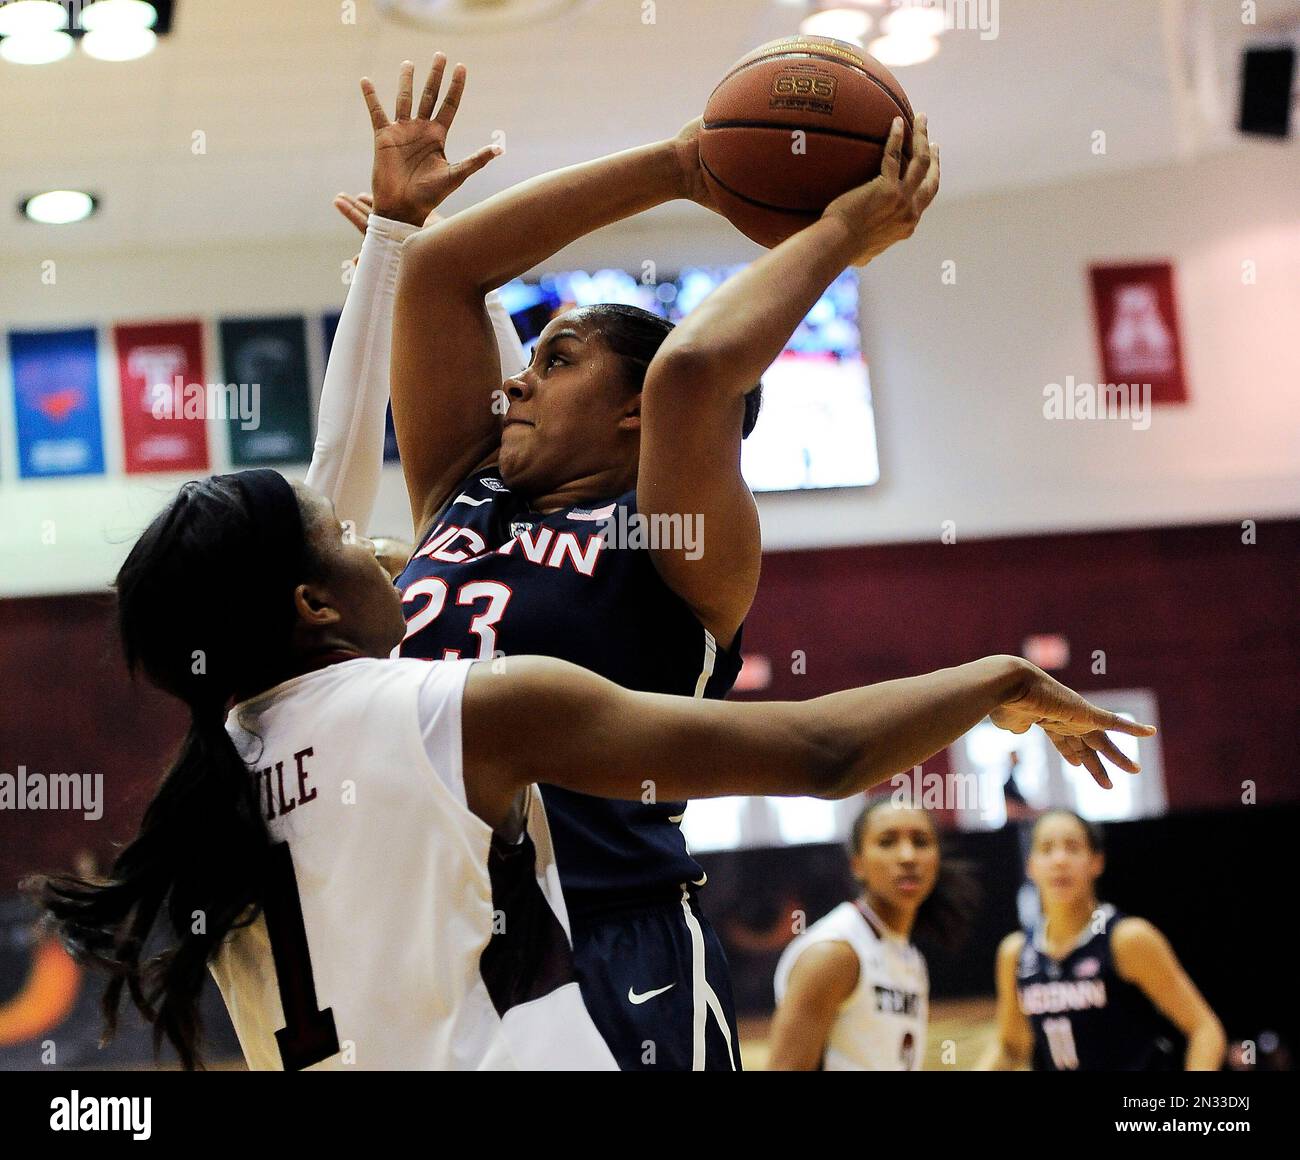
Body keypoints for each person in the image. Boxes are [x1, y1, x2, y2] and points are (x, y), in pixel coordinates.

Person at [27, 472, 1152, 1071]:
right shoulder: (463, 704)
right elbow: (820, 751)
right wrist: (995, 676)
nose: (382, 549)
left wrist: (396, 241)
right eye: (344, 537)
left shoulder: (208, 784)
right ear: (310, 604)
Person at [377, 55, 941, 1069]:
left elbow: (692, 370)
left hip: (611, 938)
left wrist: (839, 235)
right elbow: (437, 270)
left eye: (554, 361)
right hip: (436, 939)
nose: (513, 385)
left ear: (631, 411)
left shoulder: (669, 540)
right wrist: (683, 163)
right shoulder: (462, 489)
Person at [980, 809, 1226, 1071]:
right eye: (1047, 848)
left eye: (1072, 848)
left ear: (1096, 862)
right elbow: (1011, 1048)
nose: (1059, 860)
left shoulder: (1128, 939)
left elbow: (1204, 1029)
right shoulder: (1015, 953)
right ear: (1031, 866)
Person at [767, 800, 977, 1070]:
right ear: (858, 864)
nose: (908, 856)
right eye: (887, 842)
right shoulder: (834, 953)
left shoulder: (910, 958)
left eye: (921, 842)